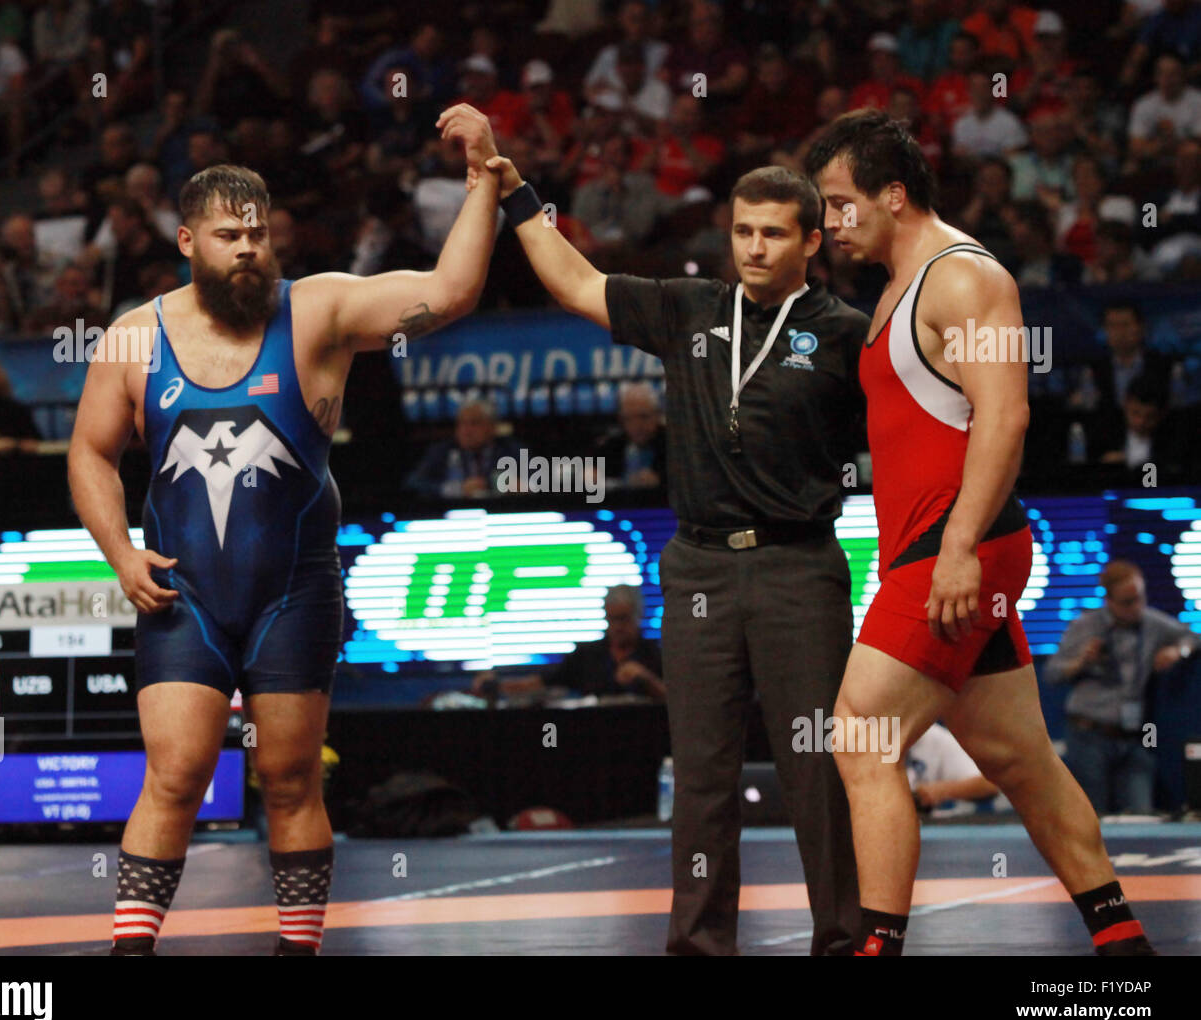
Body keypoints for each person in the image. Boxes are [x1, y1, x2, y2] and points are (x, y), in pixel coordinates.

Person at [67, 105, 501, 956]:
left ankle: (297, 949)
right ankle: (128, 950)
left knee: (292, 775)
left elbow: (450, 294)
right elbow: (89, 452)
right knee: (177, 771)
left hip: (293, 591)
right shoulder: (133, 335)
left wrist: (486, 174)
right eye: (229, 235)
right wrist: (119, 553)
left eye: (259, 234)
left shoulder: (322, 312)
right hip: (182, 592)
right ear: (187, 243)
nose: (249, 249)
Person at [482, 149, 867, 956]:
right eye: (742, 231)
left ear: (810, 243)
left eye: (772, 233)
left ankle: (842, 940)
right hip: (697, 567)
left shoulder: (845, 336)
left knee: (818, 772)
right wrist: (515, 192)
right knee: (700, 773)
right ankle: (696, 944)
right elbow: (576, 283)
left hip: (798, 566)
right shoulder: (691, 308)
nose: (754, 247)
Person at [806, 108, 1156, 956]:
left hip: (957, 548)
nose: (831, 223)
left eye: (841, 203)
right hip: (942, 547)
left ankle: (877, 945)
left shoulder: (962, 277)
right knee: (1021, 758)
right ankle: (1125, 947)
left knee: (860, 733)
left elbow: (1005, 417)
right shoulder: (897, 284)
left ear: (894, 195)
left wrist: (960, 547)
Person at [1045, 560, 1198, 814]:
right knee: (1091, 816)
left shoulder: (1152, 623)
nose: (1136, 607)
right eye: (1127, 602)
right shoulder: (1085, 626)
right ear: (1109, 600)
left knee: (1141, 816)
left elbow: (1193, 636)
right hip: (1089, 735)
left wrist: (1178, 650)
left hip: (1135, 736)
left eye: (1140, 598)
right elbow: (1052, 674)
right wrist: (1082, 661)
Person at [471, 585, 664, 702]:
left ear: (638, 615)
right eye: (611, 619)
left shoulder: (657, 655)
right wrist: (495, 685)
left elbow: (681, 702)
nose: (617, 627)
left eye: (623, 619)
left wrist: (647, 680)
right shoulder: (587, 655)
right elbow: (539, 683)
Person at [403, 398, 523, 499]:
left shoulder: (511, 449)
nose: (466, 431)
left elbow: (537, 482)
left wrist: (523, 486)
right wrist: (457, 489)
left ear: (492, 427)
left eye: (474, 423)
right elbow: (414, 483)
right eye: (462, 424)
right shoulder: (443, 450)